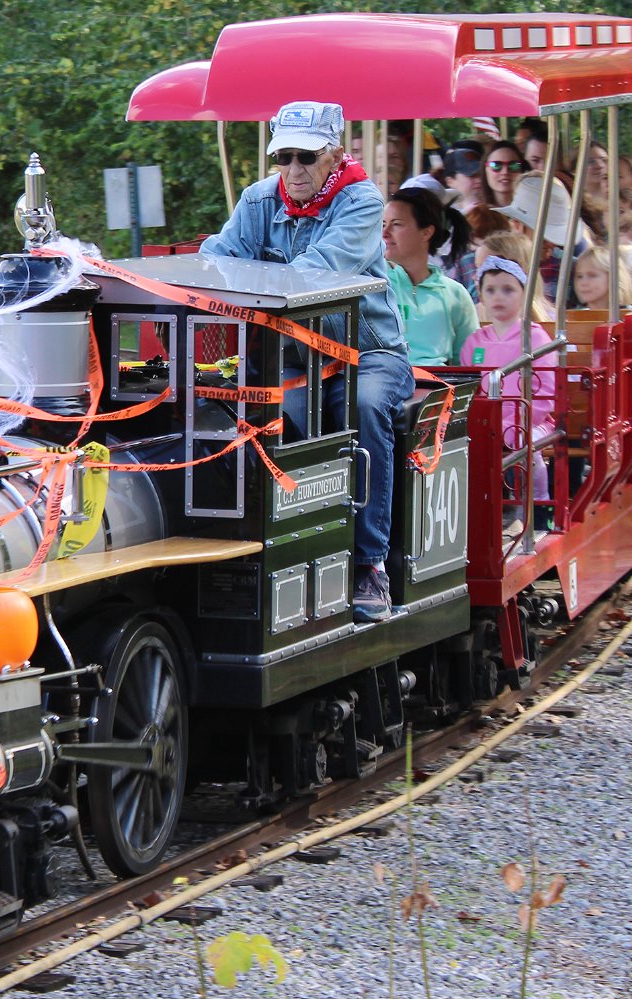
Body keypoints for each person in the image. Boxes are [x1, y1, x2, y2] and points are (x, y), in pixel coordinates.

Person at [199, 100, 413, 623]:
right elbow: (215, 258)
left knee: (363, 406)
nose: (293, 170)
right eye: (284, 157)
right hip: (291, 358)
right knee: (220, 399)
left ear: (335, 156)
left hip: (369, 356)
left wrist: (241, 273)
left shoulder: (360, 201)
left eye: (307, 157)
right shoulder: (257, 201)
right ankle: (270, 553)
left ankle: (370, 564)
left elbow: (316, 273)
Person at [460, 256, 556, 529]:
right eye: (490, 290)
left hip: (530, 421)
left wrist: (520, 420)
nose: (498, 297)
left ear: (524, 294)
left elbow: (546, 390)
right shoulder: (474, 342)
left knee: (527, 447)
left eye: (508, 289)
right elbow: (469, 388)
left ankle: (535, 510)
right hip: (488, 422)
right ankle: (479, 513)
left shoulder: (535, 338)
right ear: (481, 295)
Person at [383, 187, 478, 367]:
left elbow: (466, 362)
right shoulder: (372, 285)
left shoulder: (455, 294)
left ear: (426, 232)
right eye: (383, 224)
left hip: (438, 388)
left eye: (396, 224)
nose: (385, 232)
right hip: (385, 382)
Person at [494, 172, 589, 302]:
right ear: (517, 224)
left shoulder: (574, 270)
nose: (551, 243)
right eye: (543, 236)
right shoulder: (485, 263)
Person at [442, 140, 486, 213]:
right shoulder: (442, 216)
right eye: (471, 175)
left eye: (481, 174)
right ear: (450, 181)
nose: (479, 180)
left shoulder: (496, 211)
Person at [483, 140, 527, 206]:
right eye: (496, 165)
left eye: (513, 165)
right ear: (485, 170)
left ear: (522, 170)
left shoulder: (537, 211)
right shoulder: (476, 212)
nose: (505, 172)